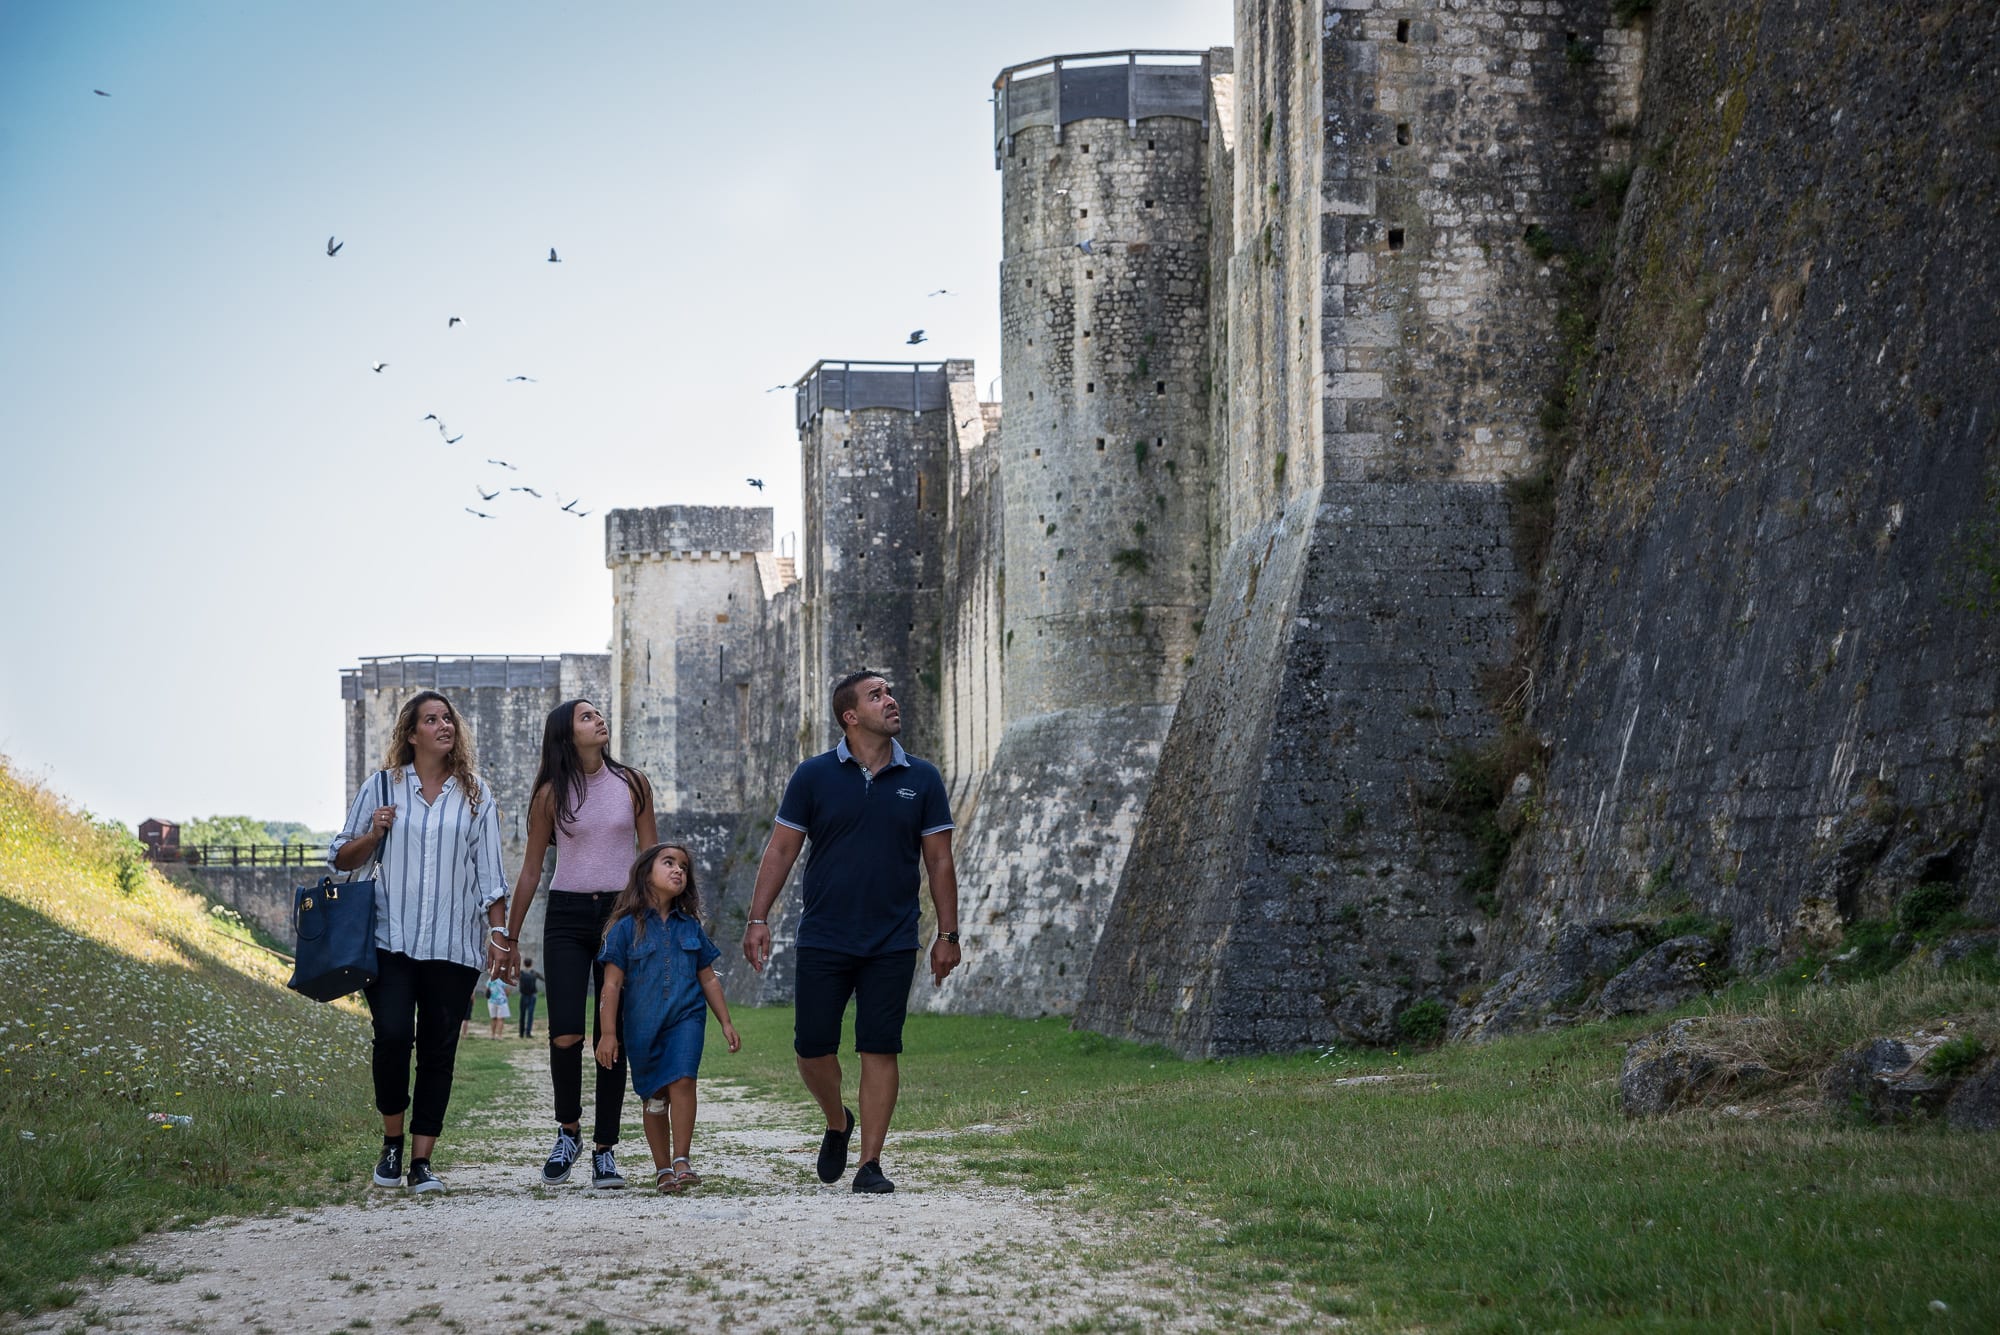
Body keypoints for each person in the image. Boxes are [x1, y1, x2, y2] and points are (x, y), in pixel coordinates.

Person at [742, 670, 961, 1194]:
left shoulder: (924, 778)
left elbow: (940, 861)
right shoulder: (813, 776)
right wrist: (757, 918)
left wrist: (947, 935)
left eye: (890, 690)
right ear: (850, 715)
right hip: (823, 934)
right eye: (877, 695)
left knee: (879, 1047)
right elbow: (780, 850)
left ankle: (870, 1164)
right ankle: (837, 1120)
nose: (891, 699)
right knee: (811, 1047)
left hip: (893, 938)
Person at [329, 690, 510, 1195]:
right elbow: (342, 857)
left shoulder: (476, 794)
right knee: (390, 1036)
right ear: (412, 734)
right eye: (432, 719)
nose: (444, 726)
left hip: (453, 946)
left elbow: (490, 873)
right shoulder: (382, 787)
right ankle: (391, 1144)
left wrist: (499, 935)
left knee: (438, 1051)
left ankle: (421, 1161)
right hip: (390, 940)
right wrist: (374, 833)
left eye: (448, 718)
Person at [500, 699, 657, 1190]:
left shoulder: (632, 784)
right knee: (565, 1032)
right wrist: (507, 935)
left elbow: (652, 857)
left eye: (599, 714)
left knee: (611, 1036)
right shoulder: (550, 794)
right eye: (586, 717)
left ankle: (605, 1150)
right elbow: (530, 871)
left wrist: (660, 922)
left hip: (621, 916)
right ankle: (567, 1131)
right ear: (567, 736)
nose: (600, 720)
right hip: (566, 915)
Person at [595, 843, 740, 1192]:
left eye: (684, 867)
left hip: (686, 1018)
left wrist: (725, 1021)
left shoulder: (690, 927)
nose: (678, 870)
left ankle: (682, 1159)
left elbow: (707, 977)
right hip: (643, 1028)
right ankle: (663, 1169)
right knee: (655, 1096)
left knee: (684, 1079)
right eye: (669, 863)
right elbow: (611, 985)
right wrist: (608, 1033)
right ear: (646, 873)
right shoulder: (624, 929)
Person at [516, 957, 541, 1039]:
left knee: (522, 1015)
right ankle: (528, 1033)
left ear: (524, 963)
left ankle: (521, 1033)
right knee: (530, 1015)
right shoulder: (534, 973)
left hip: (523, 996)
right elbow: (544, 979)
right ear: (531, 964)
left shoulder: (521, 973)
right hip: (532, 996)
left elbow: (511, 977)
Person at [485, 973, 512, 1039]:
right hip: (501, 1001)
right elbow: (507, 991)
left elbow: (487, 990)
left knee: (493, 1018)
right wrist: (505, 997)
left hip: (492, 1001)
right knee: (501, 1019)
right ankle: (499, 1035)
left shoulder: (490, 979)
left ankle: (492, 1035)